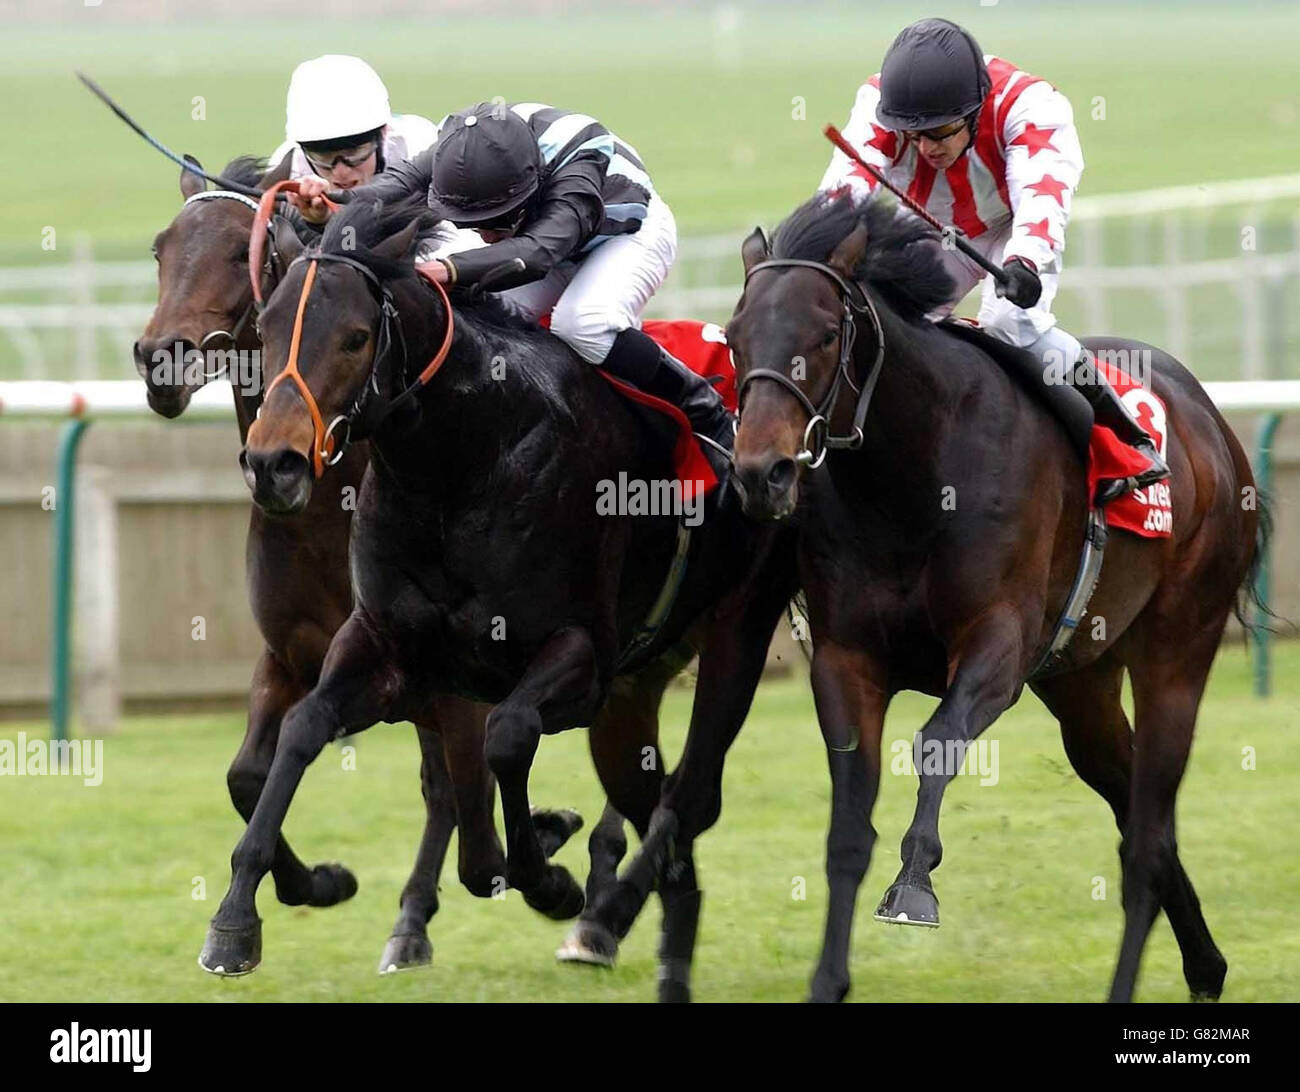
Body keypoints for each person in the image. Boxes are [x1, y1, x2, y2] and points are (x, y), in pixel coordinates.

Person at [291, 101, 734, 484]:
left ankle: (701, 405)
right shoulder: (459, 142)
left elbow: (540, 252)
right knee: (472, 315)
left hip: (622, 234)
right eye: (473, 224)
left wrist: (447, 268)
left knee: (583, 322)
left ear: (530, 188)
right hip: (539, 237)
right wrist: (337, 198)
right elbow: (402, 182)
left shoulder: (581, 159)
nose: (484, 236)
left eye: (495, 221)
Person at [820, 17, 1167, 501]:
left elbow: (1041, 195)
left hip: (1015, 225)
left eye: (939, 133)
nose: (924, 147)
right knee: (882, 317)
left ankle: (1121, 441)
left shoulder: (1033, 107)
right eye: (912, 135)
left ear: (976, 109)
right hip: (936, 228)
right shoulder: (883, 104)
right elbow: (844, 188)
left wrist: (1025, 262)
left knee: (1011, 324)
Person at [269, 55, 437, 192]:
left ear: (384, 133)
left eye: (354, 152)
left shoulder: (420, 147)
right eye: (324, 157)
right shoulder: (286, 169)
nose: (341, 172)